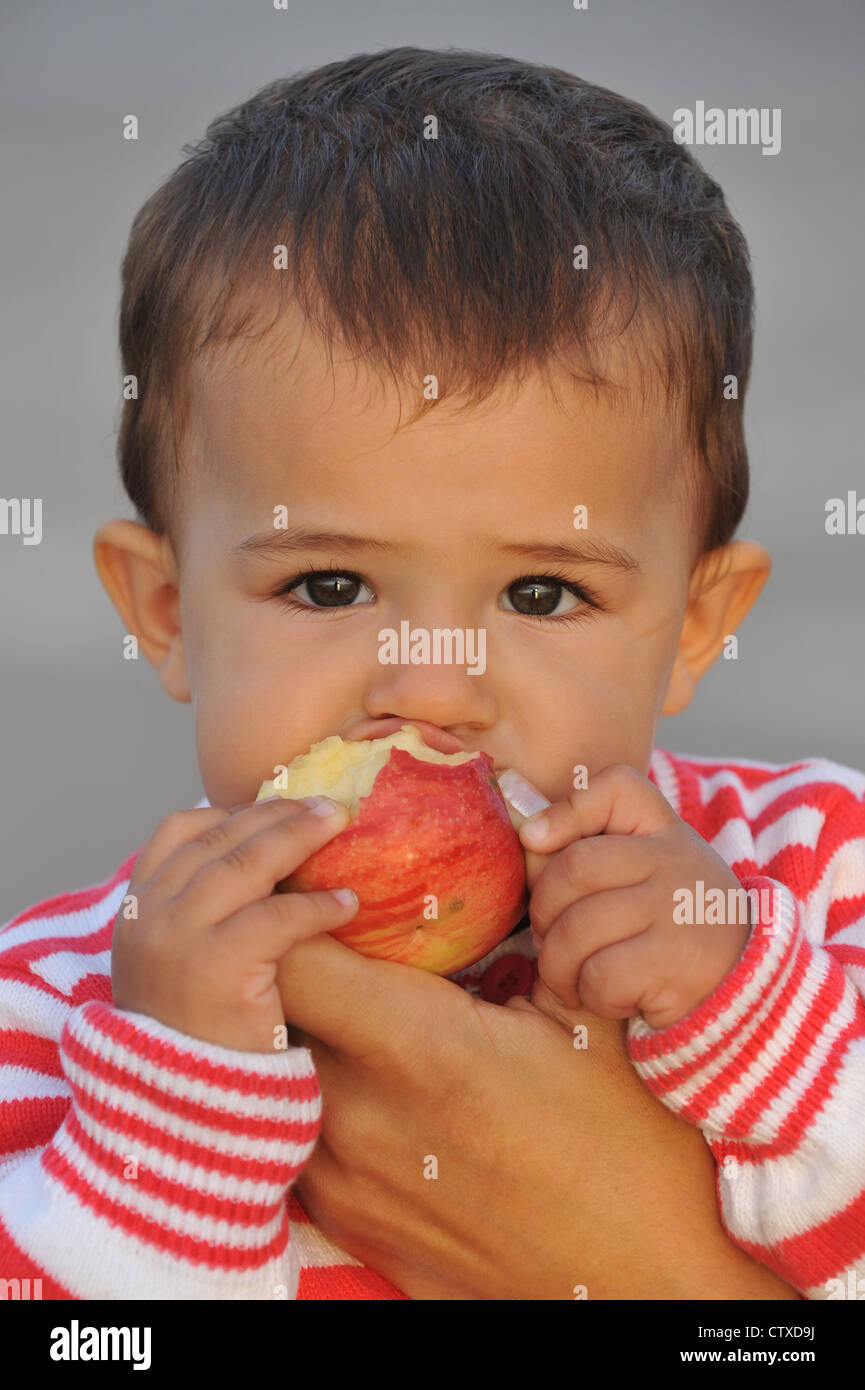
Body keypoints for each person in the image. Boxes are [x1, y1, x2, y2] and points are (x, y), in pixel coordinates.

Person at [1, 46, 861, 1300]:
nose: (434, 692)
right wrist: (169, 1116)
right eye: (330, 587)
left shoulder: (810, 877)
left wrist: (752, 1020)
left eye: (541, 593)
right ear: (170, 611)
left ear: (692, 624)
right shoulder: (66, 1002)